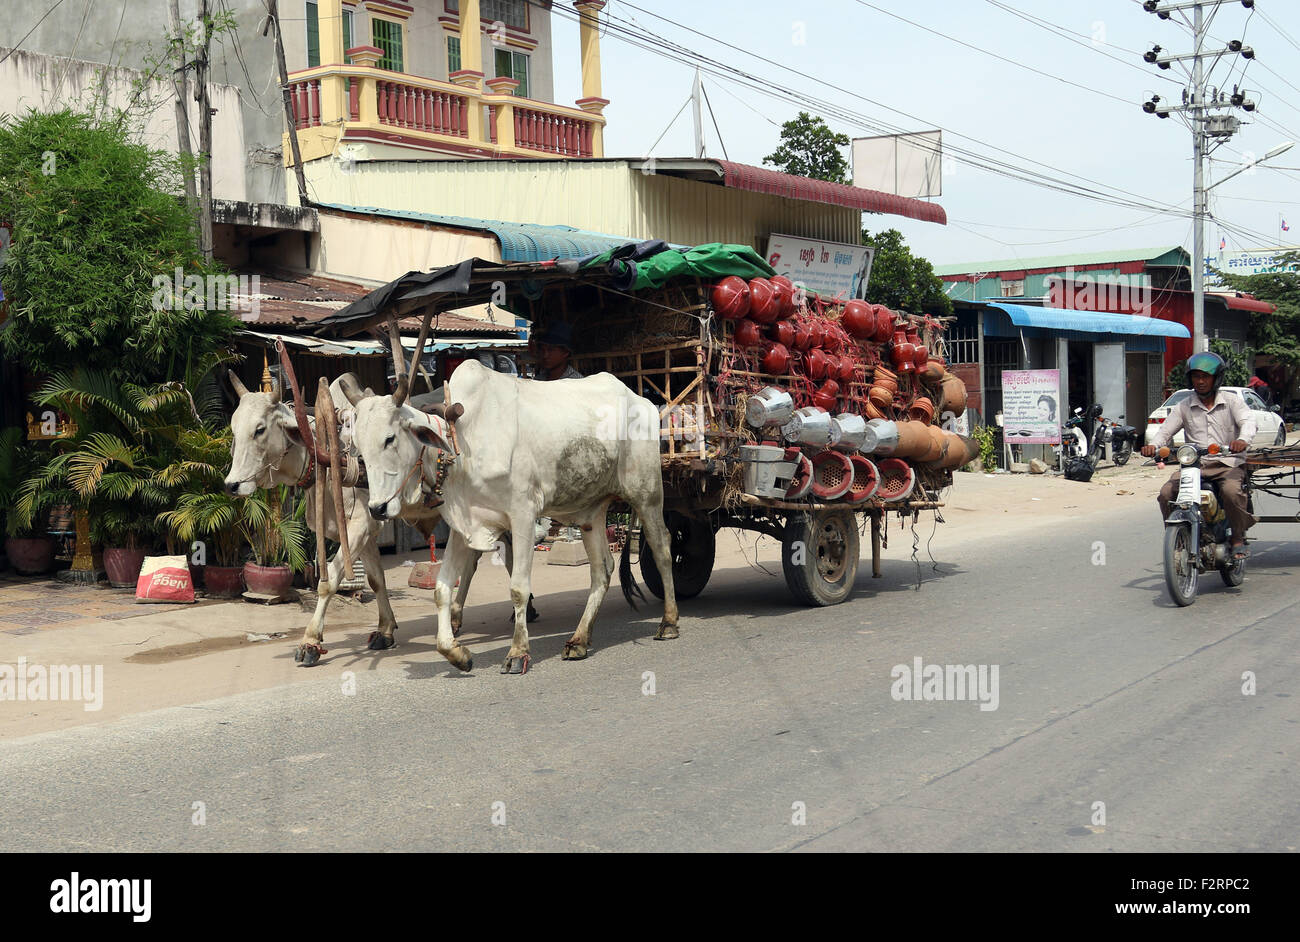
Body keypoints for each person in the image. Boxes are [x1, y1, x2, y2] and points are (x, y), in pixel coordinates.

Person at [1142, 351, 1256, 559]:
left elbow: (1248, 422)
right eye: (1196, 376)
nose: (1200, 381)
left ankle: (1238, 537)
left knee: (1231, 492)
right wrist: (1154, 446)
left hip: (1227, 464)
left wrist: (1242, 441)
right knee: (1166, 494)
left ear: (1216, 378)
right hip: (1195, 467)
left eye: (1205, 376)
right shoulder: (1184, 406)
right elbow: (1165, 432)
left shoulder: (1232, 402)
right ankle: (1177, 538)